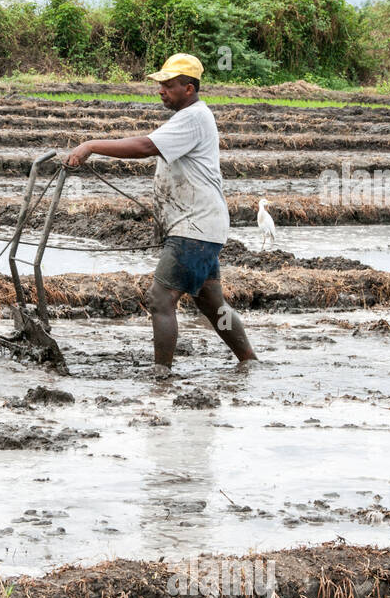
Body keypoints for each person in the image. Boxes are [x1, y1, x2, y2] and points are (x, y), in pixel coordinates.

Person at [65, 53, 256, 378]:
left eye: (169, 85)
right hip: (199, 225)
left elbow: (144, 147)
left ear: (189, 88)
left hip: (194, 227)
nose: (161, 90)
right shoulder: (189, 116)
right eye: (161, 84)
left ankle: (161, 376)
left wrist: (91, 145)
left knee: (160, 299)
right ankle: (249, 360)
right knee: (212, 304)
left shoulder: (194, 117)